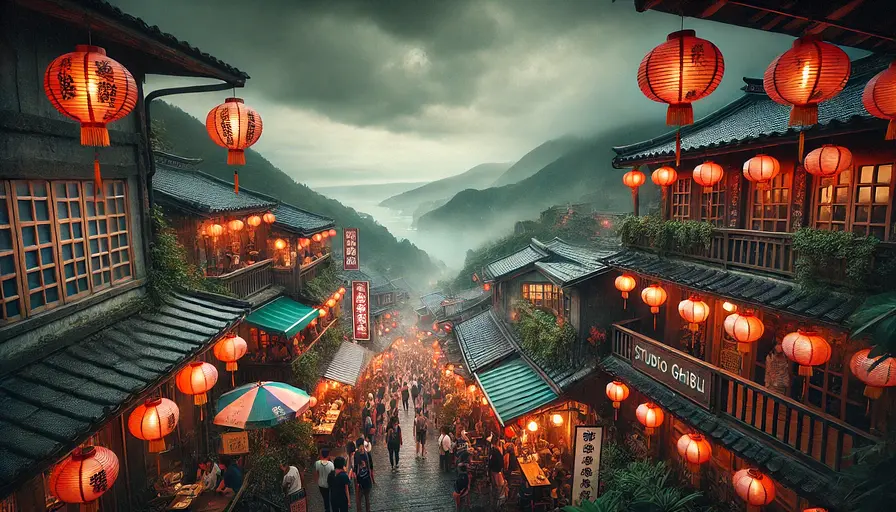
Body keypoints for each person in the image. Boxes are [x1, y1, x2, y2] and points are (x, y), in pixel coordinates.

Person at [353, 441, 374, 512]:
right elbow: (371, 465)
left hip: (360, 480)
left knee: (359, 498)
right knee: (366, 498)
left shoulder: (356, 455)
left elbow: (355, 467)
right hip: (366, 478)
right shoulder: (367, 453)